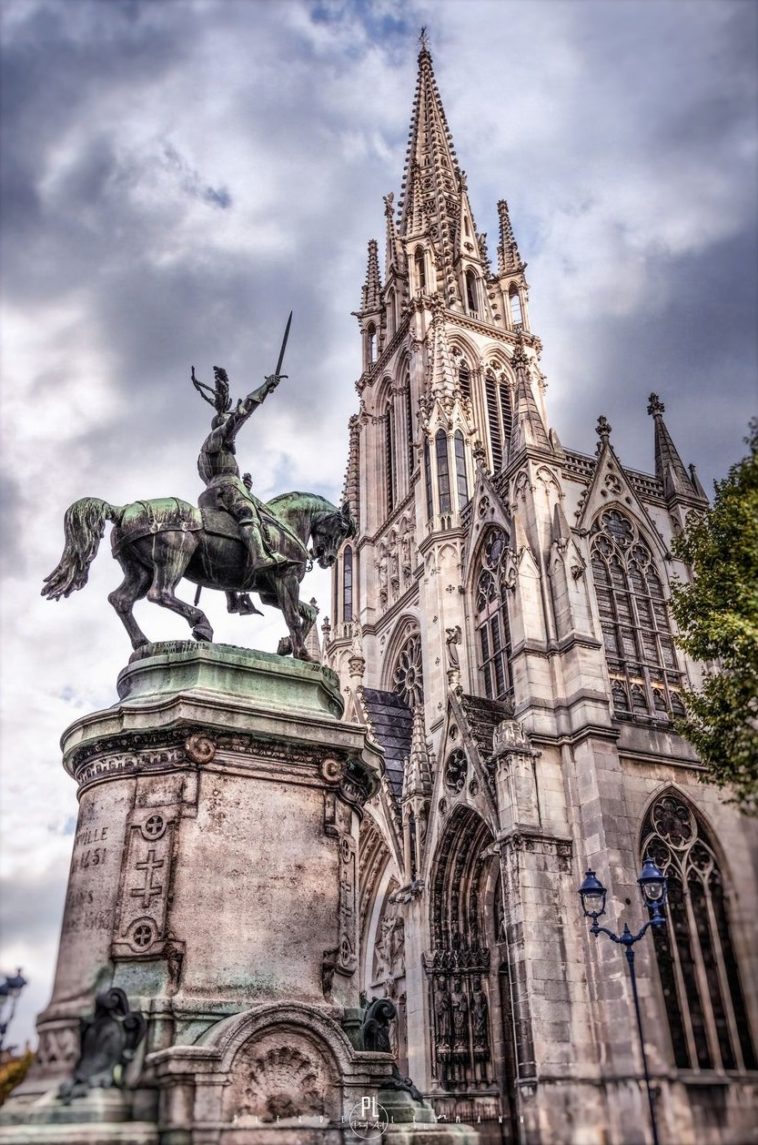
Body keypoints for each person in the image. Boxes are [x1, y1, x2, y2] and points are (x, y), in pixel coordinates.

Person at [193, 366, 287, 577]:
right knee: (250, 514)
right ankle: (260, 557)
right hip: (225, 490)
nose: (233, 435)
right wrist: (266, 387)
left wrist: (243, 487)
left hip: (213, 495)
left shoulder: (205, 454)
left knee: (232, 536)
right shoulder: (218, 436)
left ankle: (235, 595)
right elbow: (243, 412)